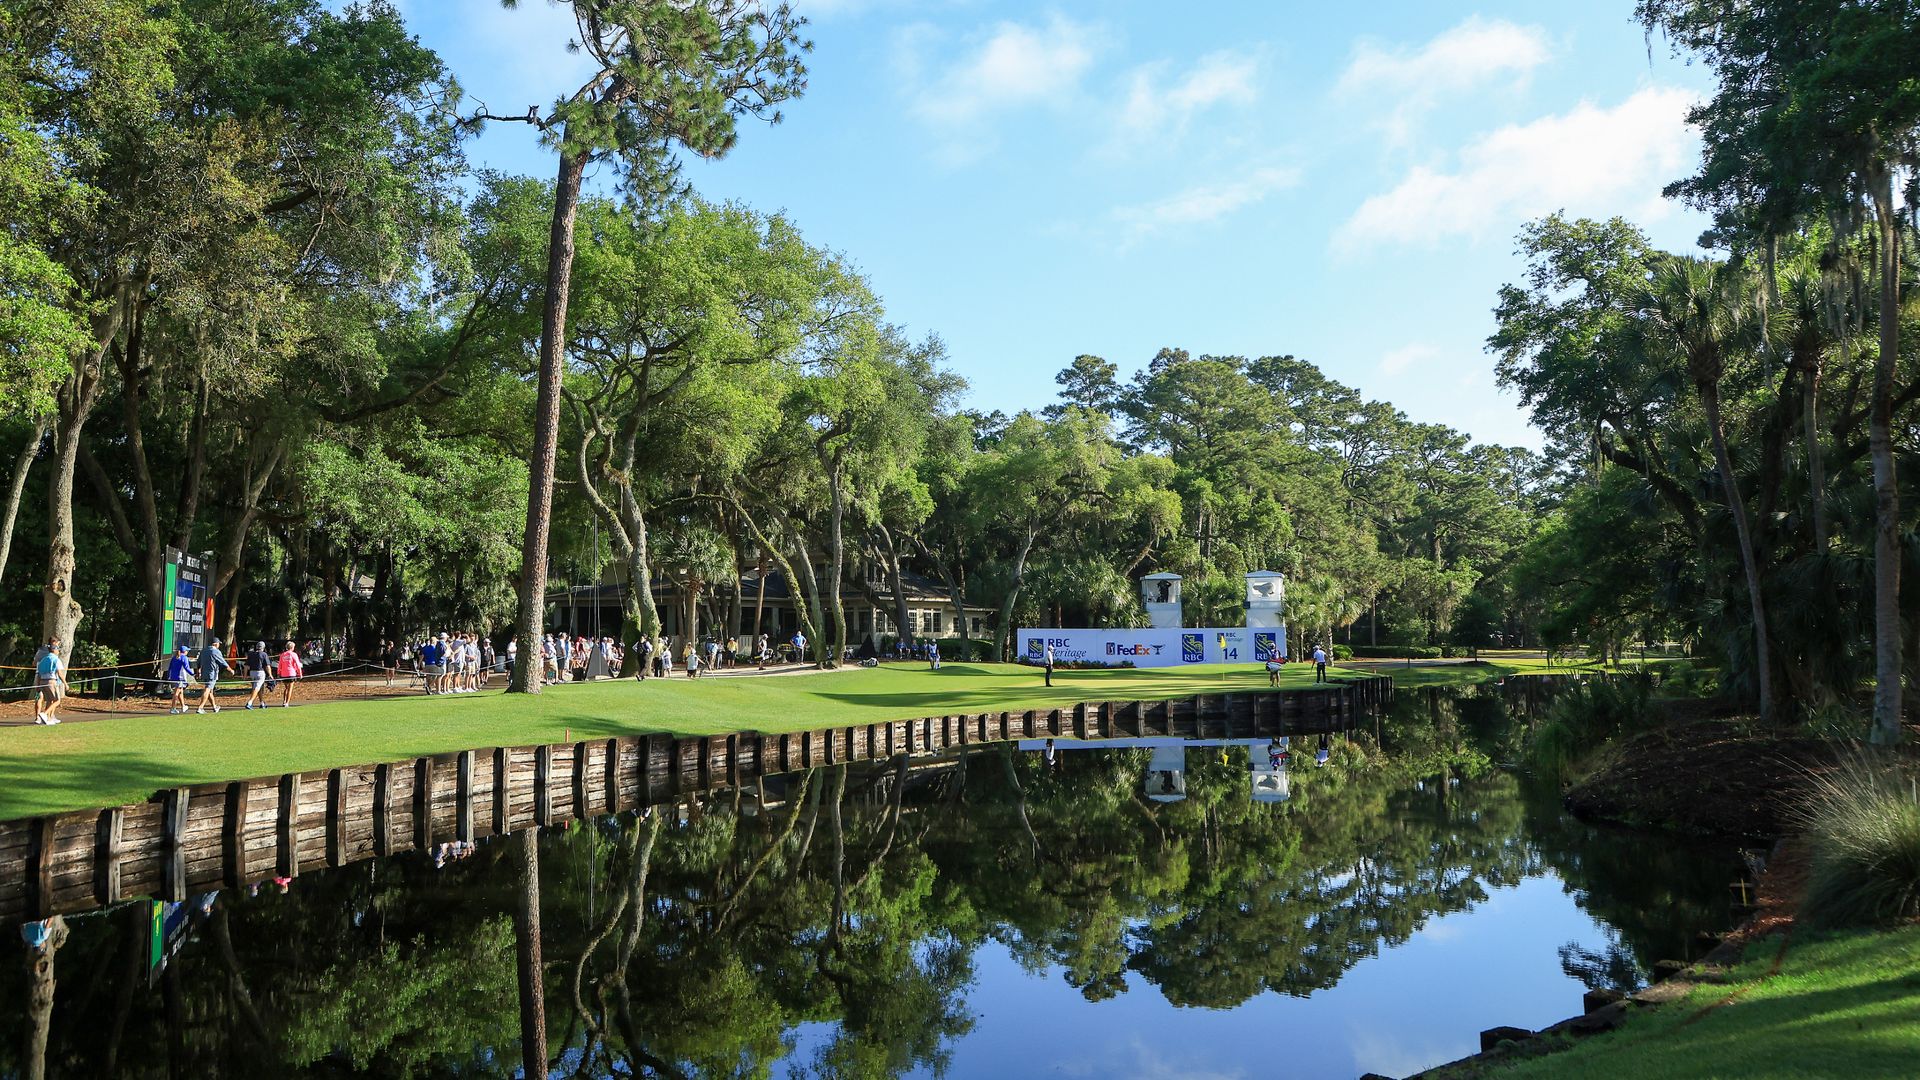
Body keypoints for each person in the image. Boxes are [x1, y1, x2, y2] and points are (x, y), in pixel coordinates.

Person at [32, 636, 65, 725]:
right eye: (58, 644)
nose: (58, 646)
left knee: (41, 697)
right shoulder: (53, 653)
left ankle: (42, 717)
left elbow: (34, 663)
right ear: (54, 643)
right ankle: (46, 715)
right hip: (50, 678)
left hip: (40, 677)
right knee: (50, 698)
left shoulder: (41, 650)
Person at [194, 637, 231, 714]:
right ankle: (200, 707)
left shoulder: (204, 650)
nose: (219, 645)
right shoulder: (216, 651)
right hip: (212, 673)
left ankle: (214, 706)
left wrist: (198, 671)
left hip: (204, 673)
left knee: (210, 690)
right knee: (208, 689)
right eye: (218, 644)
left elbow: (198, 662)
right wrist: (230, 669)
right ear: (216, 644)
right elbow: (222, 662)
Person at [164, 645, 195, 714]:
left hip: (173, 677)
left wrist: (168, 676)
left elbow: (170, 668)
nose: (187, 652)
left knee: (180, 691)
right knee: (176, 693)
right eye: (187, 651)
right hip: (180, 678)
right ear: (185, 651)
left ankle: (183, 706)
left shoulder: (174, 657)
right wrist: (193, 674)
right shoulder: (184, 658)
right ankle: (173, 708)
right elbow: (187, 668)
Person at [244, 641, 272, 709]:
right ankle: (249, 703)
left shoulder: (251, 654)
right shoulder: (264, 654)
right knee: (256, 688)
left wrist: (245, 675)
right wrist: (270, 674)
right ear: (263, 647)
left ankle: (262, 703)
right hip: (260, 673)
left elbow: (246, 666)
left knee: (258, 688)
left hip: (252, 673)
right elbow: (267, 666)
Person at [275, 640, 303, 707]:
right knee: (290, 688)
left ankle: (284, 701)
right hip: (291, 673)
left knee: (286, 688)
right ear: (292, 647)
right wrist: (300, 673)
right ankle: (287, 703)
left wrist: (278, 673)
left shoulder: (282, 655)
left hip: (284, 674)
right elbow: (298, 664)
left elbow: (279, 665)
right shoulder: (293, 654)